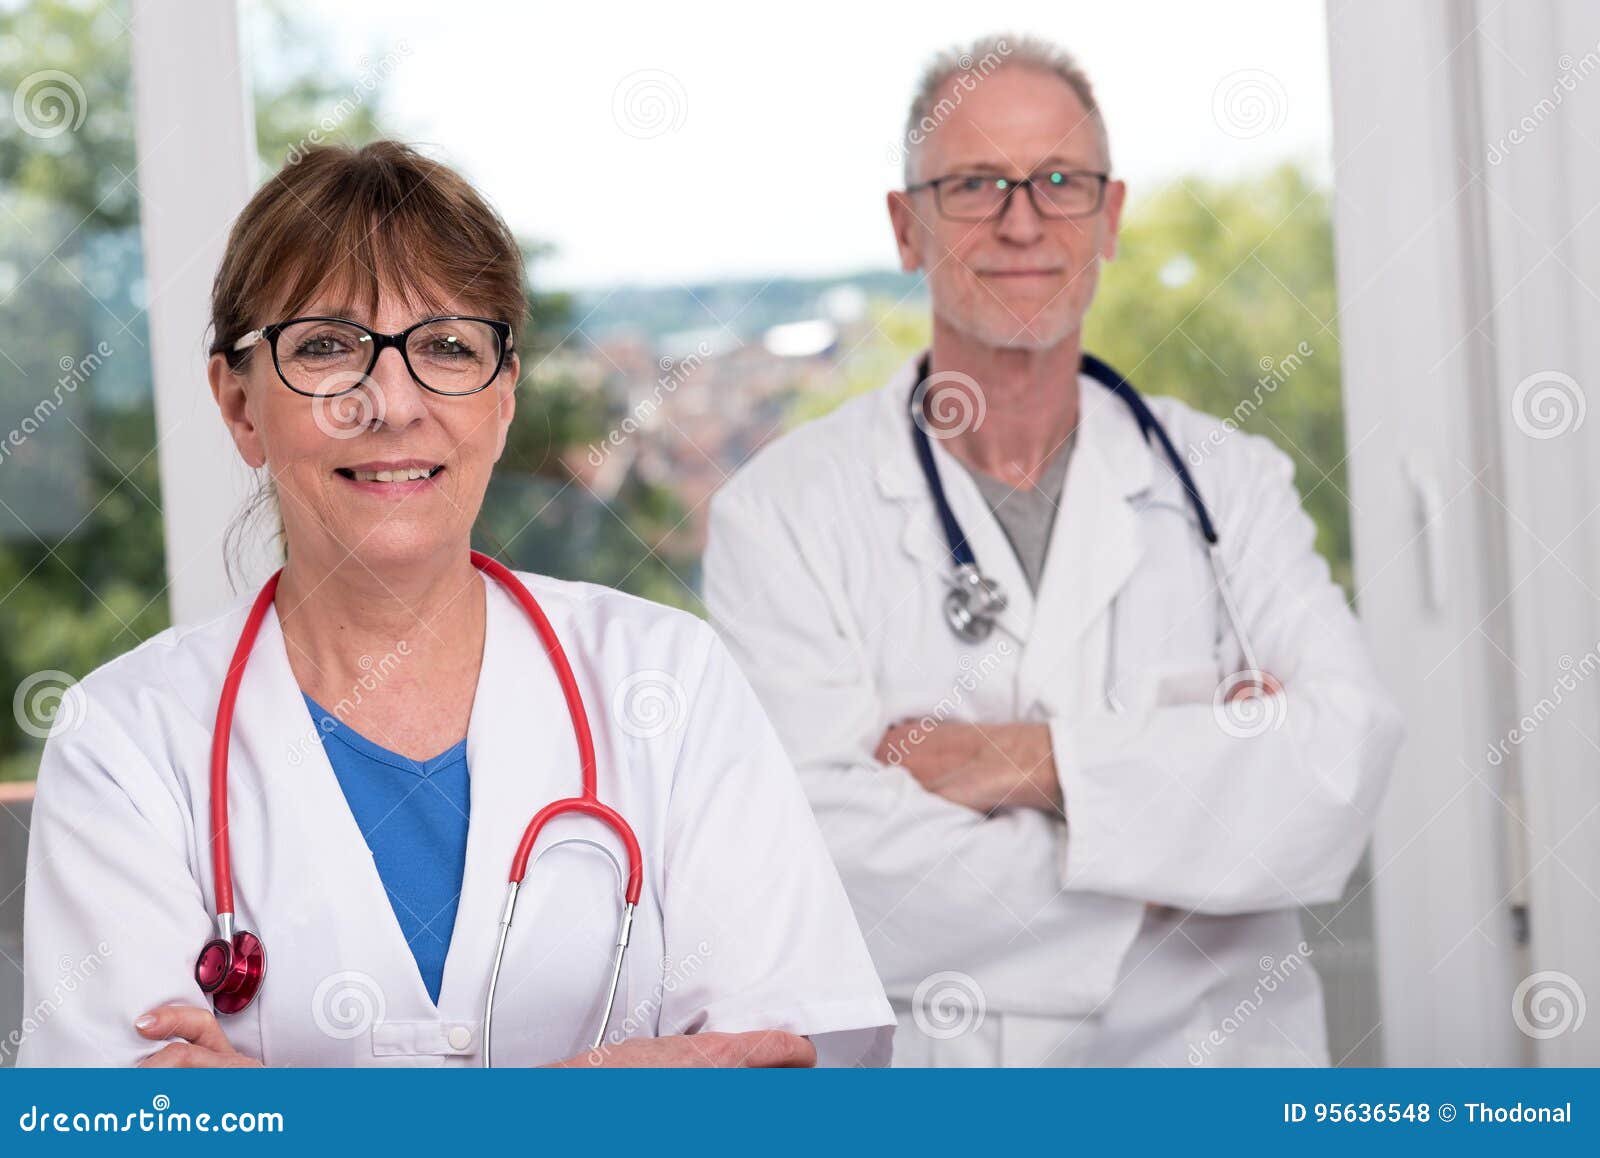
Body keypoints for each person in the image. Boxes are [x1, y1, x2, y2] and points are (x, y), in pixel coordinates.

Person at [19, 141, 892, 1068]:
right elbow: (118, 1126)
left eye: (445, 346)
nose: (392, 404)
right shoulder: (126, 744)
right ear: (239, 404)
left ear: (504, 394)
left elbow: (785, 1091)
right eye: (325, 346)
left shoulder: (669, 683)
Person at [703, 37, 1403, 1066]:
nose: (1022, 220)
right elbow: (822, 860)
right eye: (974, 184)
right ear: (906, 227)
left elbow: (1337, 767)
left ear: (1108, 217)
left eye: (1060, 182)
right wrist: (1189, 842)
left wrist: (1026, 762)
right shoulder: (782, 510)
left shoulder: (1228, 481)